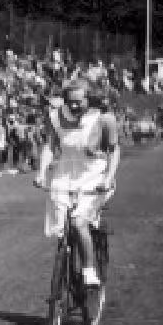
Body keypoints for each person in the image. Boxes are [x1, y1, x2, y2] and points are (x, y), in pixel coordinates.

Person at [35, 81, 120, 294]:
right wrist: (41, 172)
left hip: (94, 177)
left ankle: (89, 269)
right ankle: (67, 263)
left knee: (79, 222)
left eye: (78, 102)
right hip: (64, 176)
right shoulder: (56, 116)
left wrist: (108, 177)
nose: (73, 106)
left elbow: (113, 150)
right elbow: (50, 145)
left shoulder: (103, 118)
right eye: (69, 101)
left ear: (88, 99)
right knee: (63, 226)